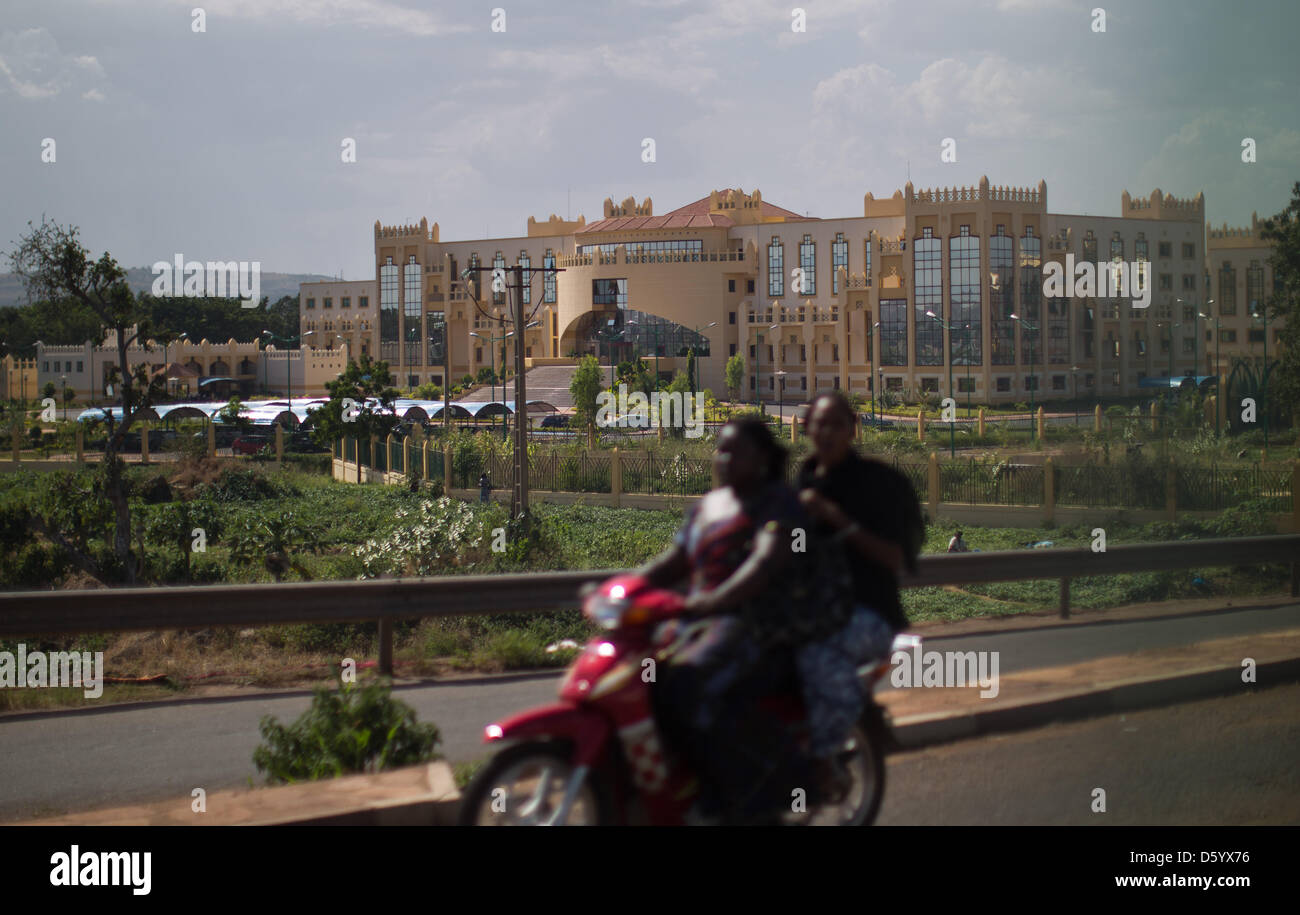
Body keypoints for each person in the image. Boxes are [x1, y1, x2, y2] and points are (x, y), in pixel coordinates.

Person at [638, 416, 820, 823]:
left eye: (734, 451)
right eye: (720, 449)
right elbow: (674, 561)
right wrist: (628, 587)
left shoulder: (777, 502)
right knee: (643, 679)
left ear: (759, 458)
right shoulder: (710, 507)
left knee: (689, 680)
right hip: (702, 622)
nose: (723, 459)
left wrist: (715, 600)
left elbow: (763, 563)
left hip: (756, 624)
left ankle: (731, 797)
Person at [796, 391, 925, 800]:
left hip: (870, 613)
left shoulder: (877, 484)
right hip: (819, 610)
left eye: (837, 424)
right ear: (806, 429)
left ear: (852, 428)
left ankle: (823, 764)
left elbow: (894, 558)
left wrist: (838, 520)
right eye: (820, 424)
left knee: (813, 656)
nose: (828, 432)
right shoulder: (805, 478)